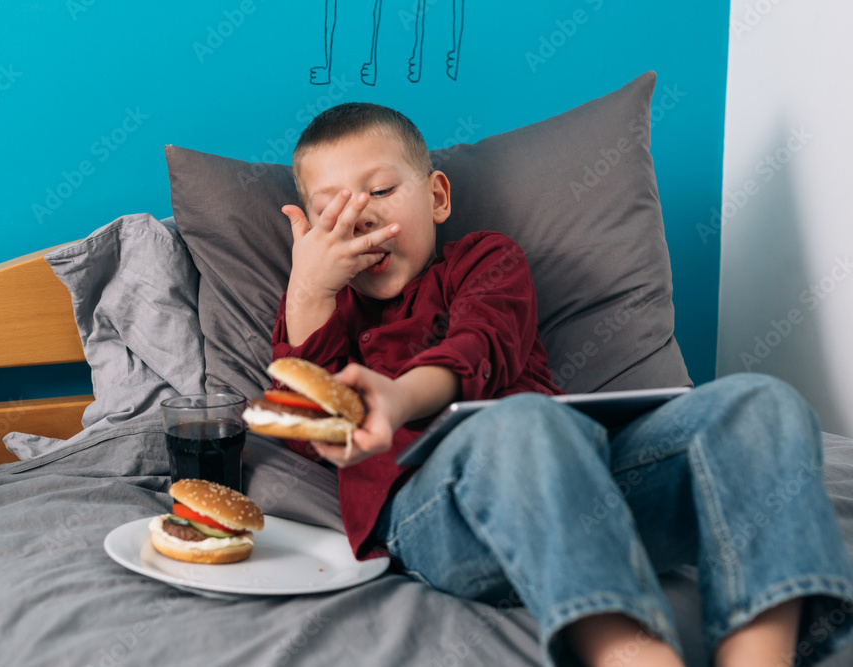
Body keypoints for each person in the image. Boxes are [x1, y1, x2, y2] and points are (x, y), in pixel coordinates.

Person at [270, 101, 853, 667]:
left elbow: (481, 345)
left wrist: (401, 396)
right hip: (444, 519)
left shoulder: (485, 259)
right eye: (332, 211)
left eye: (379, 191)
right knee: (521, 422)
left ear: (437, 197)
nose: (360, 217)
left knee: (762, 402)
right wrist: (309, 288)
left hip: (587, 494)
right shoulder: (328, 311)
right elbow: (309, 421)